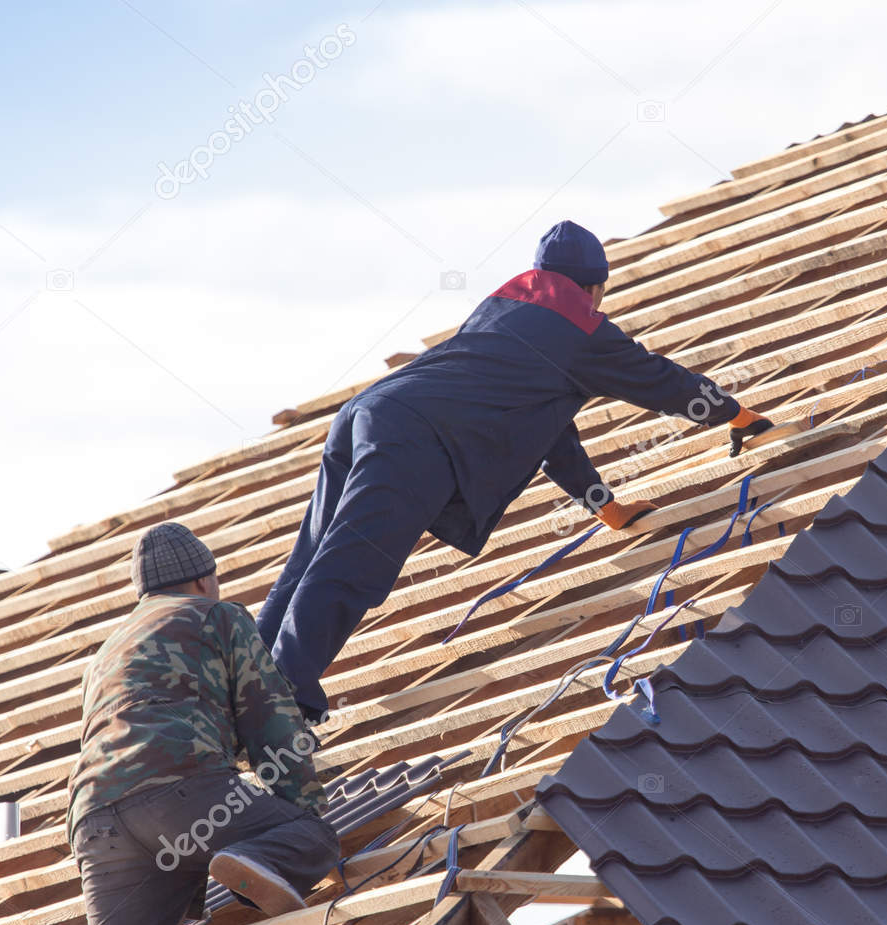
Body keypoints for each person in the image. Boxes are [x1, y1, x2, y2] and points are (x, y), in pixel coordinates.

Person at [257, 219, 773, 719]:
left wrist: (605, 507)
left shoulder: (500, 310)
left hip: (364, 413)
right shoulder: (581, 328)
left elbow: (547, 430)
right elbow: (663, 382)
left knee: (313, 554)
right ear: (594, 287)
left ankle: (246, 680)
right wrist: (739, 415)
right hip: (413, 438)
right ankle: (280, 702)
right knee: (353, 567)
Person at [67, 522, 338, 925]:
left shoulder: (105, 654)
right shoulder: (217, 616)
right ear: (201, 581)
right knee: (312, 837)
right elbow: (270, 723)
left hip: (96, 823)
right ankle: (261, 857)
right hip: (181, 796)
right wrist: (304, 822)